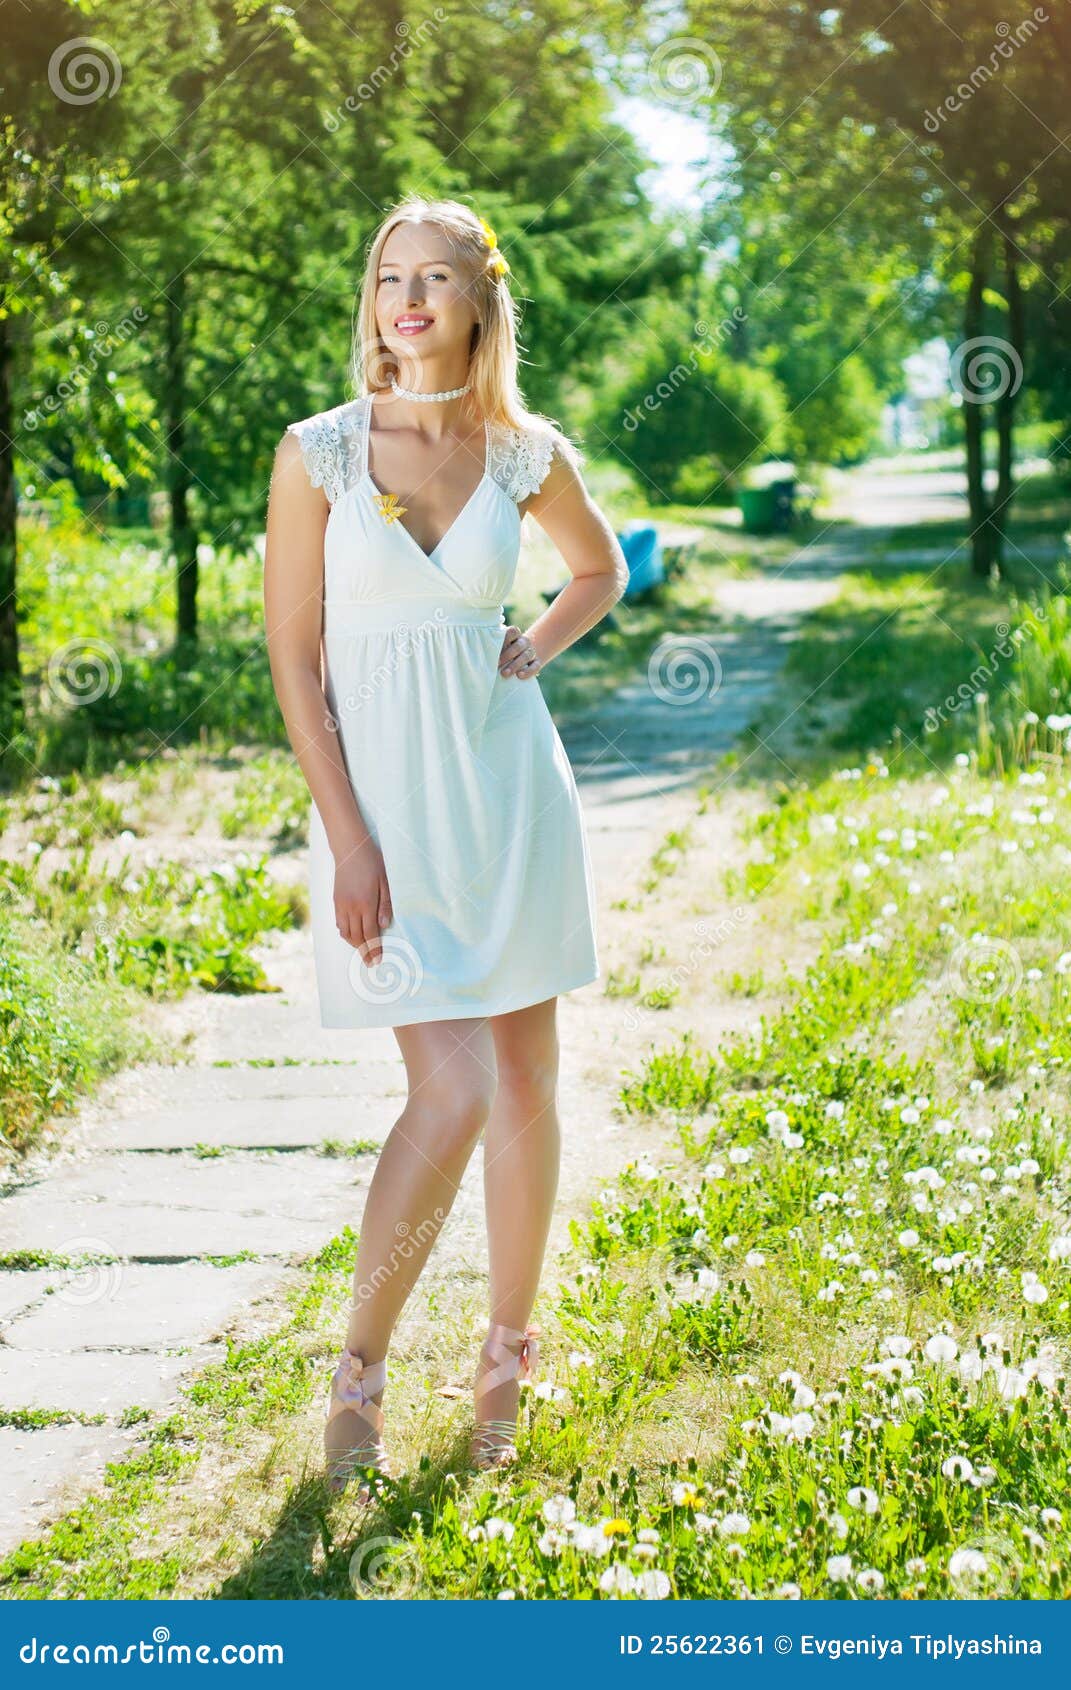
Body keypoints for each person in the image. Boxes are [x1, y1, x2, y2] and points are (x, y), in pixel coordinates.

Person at [263, 197, 627, 1498]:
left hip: (508, 796)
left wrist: (535, 643)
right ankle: (358, 1375)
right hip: (387, 816)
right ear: (372, 301)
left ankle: (506, 1364)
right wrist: (348, 838)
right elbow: (295, 665)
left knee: (527, 1081)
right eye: (387, 277)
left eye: (434, 278)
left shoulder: (523, 452)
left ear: (479, 298)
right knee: (453, 1087)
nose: (406, 298)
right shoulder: (316, 452)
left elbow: (597, 570)